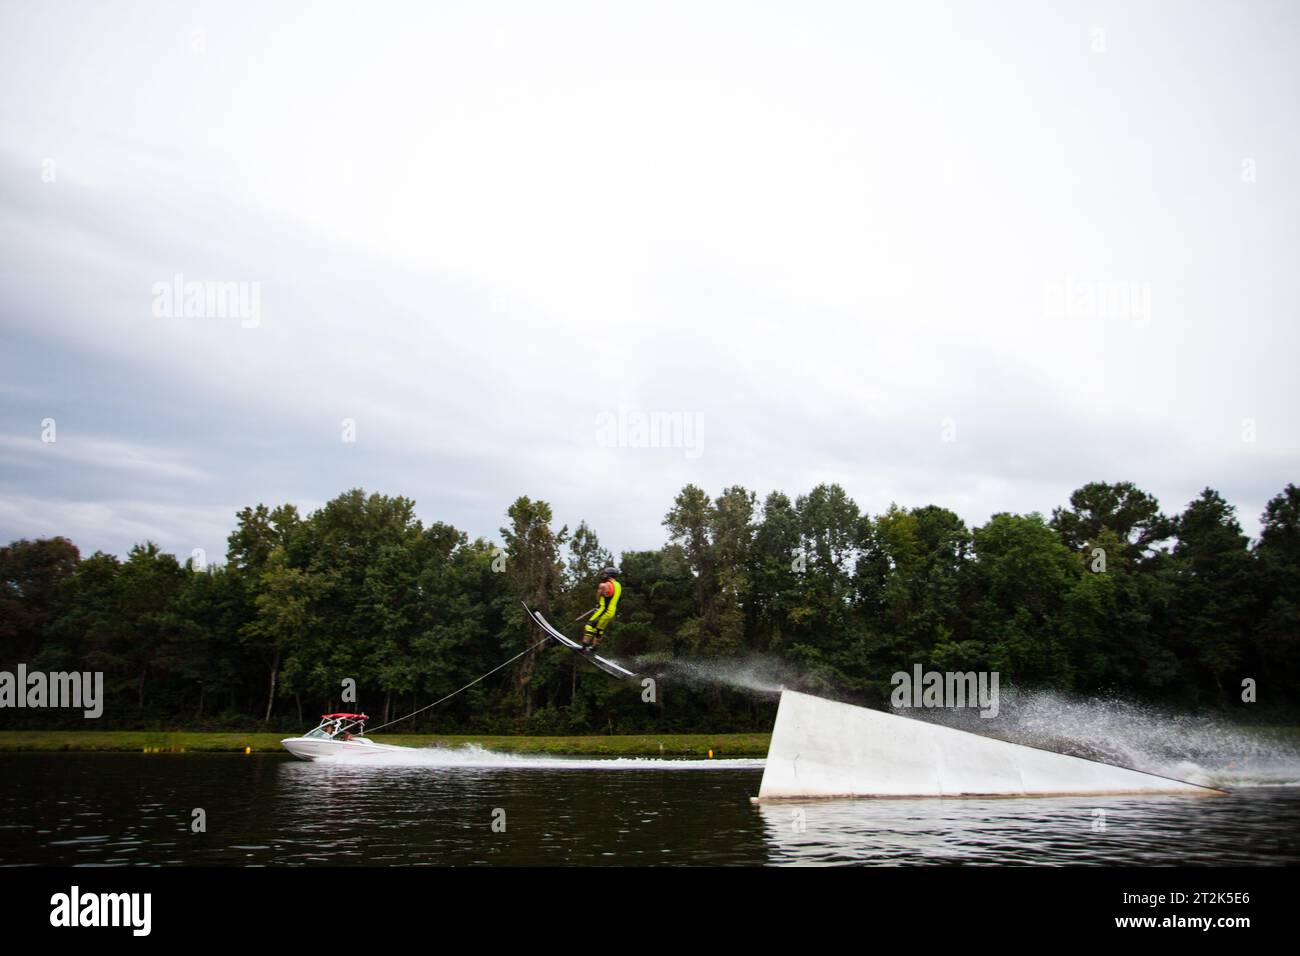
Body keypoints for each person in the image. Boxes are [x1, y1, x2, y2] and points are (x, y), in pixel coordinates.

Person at [581, 567, 621, 653]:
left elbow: (598, 596)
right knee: (599, 630)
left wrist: (598, 604)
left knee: (590, 626)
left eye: (605, 574)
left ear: (609, 575)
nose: (603, 575)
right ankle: (594, 648)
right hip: (611, 612)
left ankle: (584, 647)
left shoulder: (603, 585)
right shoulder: (618, 585)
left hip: (604, 610)